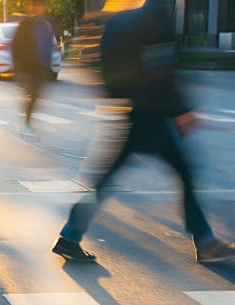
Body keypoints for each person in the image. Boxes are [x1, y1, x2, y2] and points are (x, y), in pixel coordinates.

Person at [52, 0, 235, 264]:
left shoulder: (123, 19)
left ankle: (70, 236)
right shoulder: (156, 16)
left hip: (134, 112)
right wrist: (181, 111)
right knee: (183, 173)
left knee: (107, 179)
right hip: (152, 116)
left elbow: (109, 68)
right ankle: (205, 242)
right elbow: (162, 70)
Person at [11, 0, 56, 136]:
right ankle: (27, 117)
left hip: (40, 67)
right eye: (35, 6)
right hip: (27, 67)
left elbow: (49, 45)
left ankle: (28, 113)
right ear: (31, 7)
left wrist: (48, 65)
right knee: (31, 93)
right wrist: (18, 66)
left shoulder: (46, 25)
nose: (38, 9)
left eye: (40, 6)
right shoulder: (25, 24)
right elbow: (16, 45)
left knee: (36, 95)